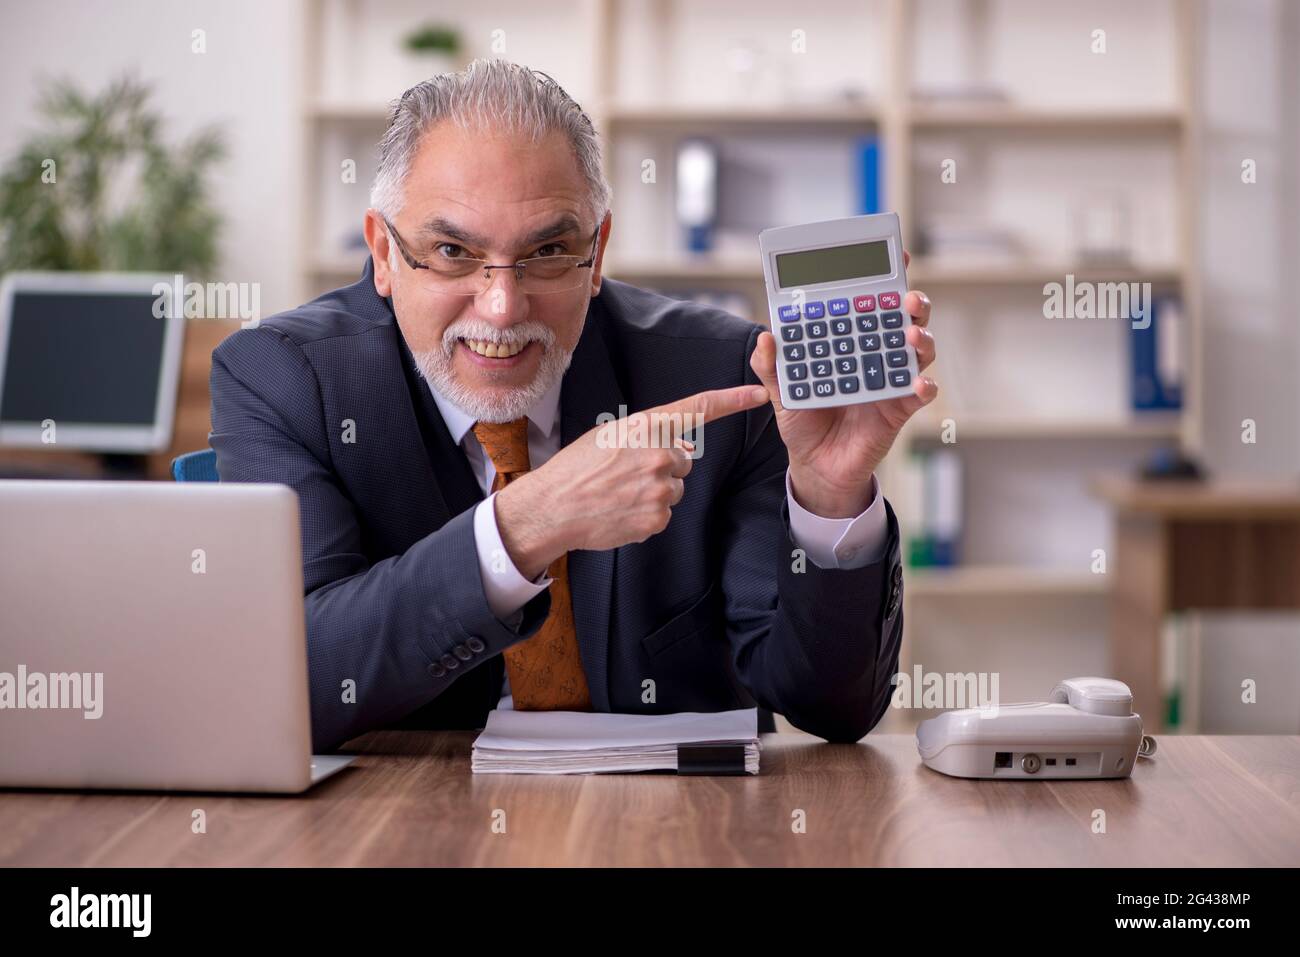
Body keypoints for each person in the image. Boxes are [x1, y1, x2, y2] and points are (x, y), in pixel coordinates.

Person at [209, 59, 939, 752]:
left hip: (664, 828)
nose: (501, 308)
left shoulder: (723, 377)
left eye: (549, 250)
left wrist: (832, 492)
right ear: (383, 254)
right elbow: (287, 685)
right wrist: (527, 524)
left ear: (598, 254)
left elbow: (831, 708)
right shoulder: (282, 379)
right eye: (454, 253)